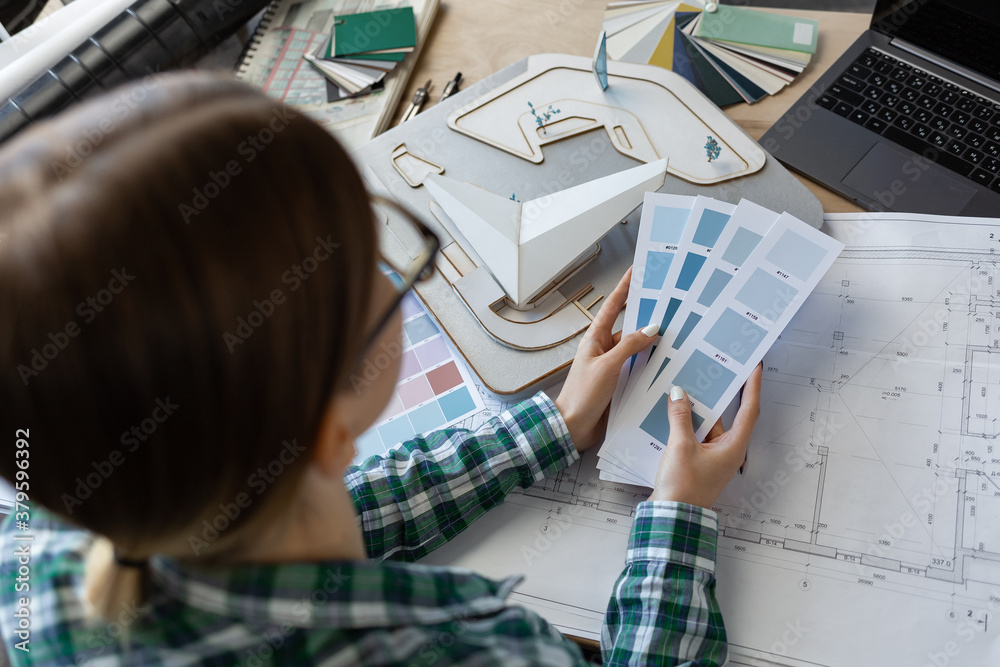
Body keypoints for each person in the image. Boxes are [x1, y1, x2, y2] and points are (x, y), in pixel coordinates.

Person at [0, 72, 761, 666]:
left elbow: (296, 514)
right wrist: (676, 526)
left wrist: (552, 426)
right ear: (331, 431)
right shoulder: (478, 647)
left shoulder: (31, 548)